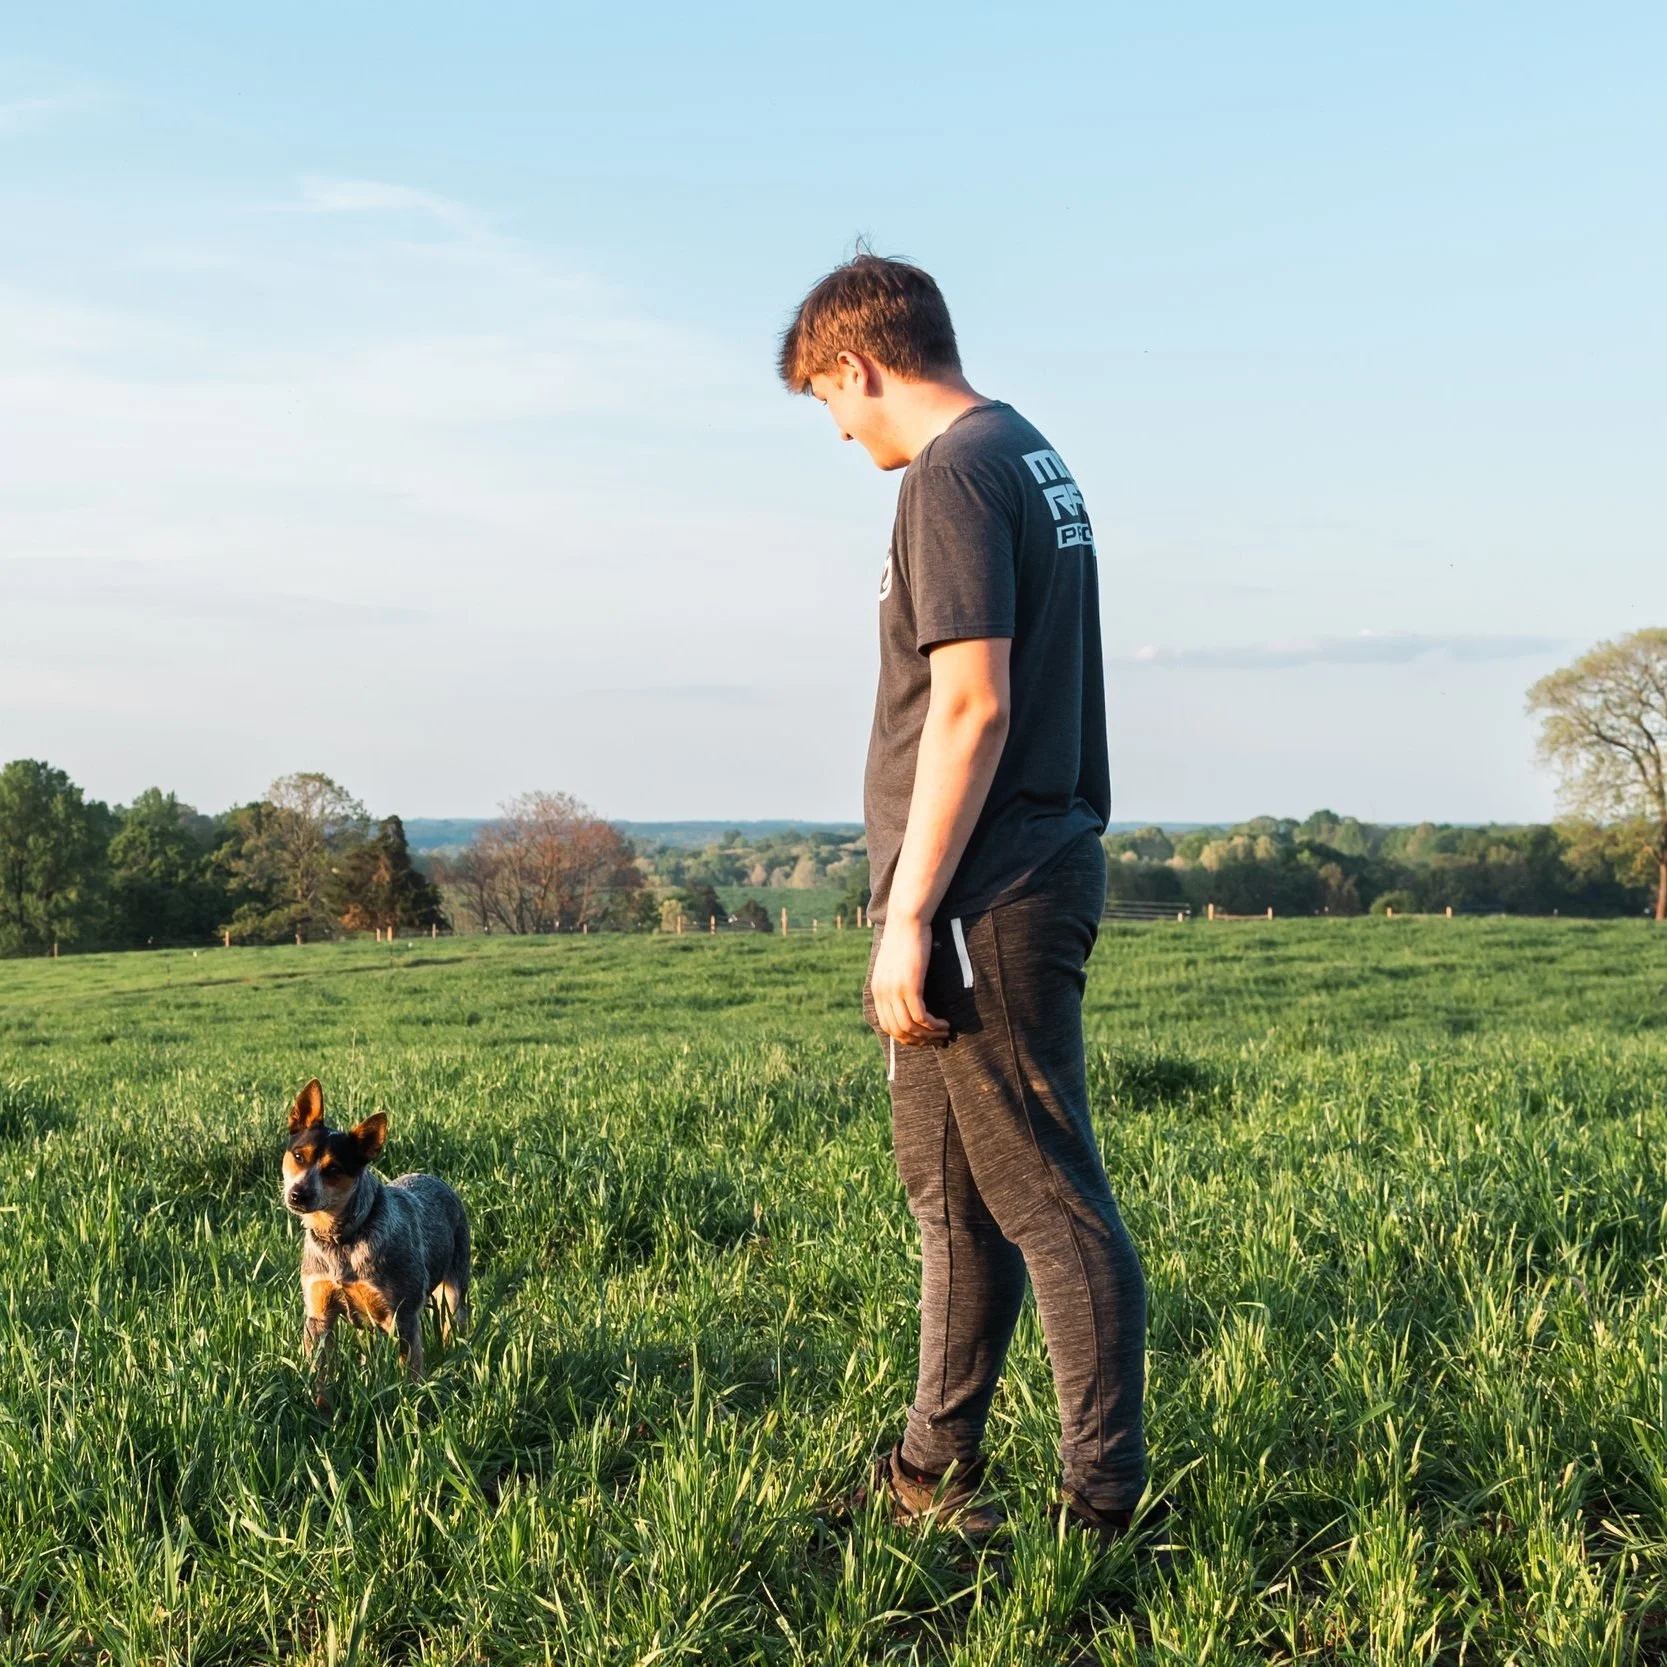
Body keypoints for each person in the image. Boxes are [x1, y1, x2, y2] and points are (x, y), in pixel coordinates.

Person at [778, 252, 1149, 1541]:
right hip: (985, 884)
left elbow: (973, 702)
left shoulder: (950, 472)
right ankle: (933, 1474)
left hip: (985, 892)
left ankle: (1099, 1515)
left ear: (860, 366)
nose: (837, 429)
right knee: (950, 1196)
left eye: (828, 401)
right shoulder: (1024, 453)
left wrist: (907, 911)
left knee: (1049, 1202)